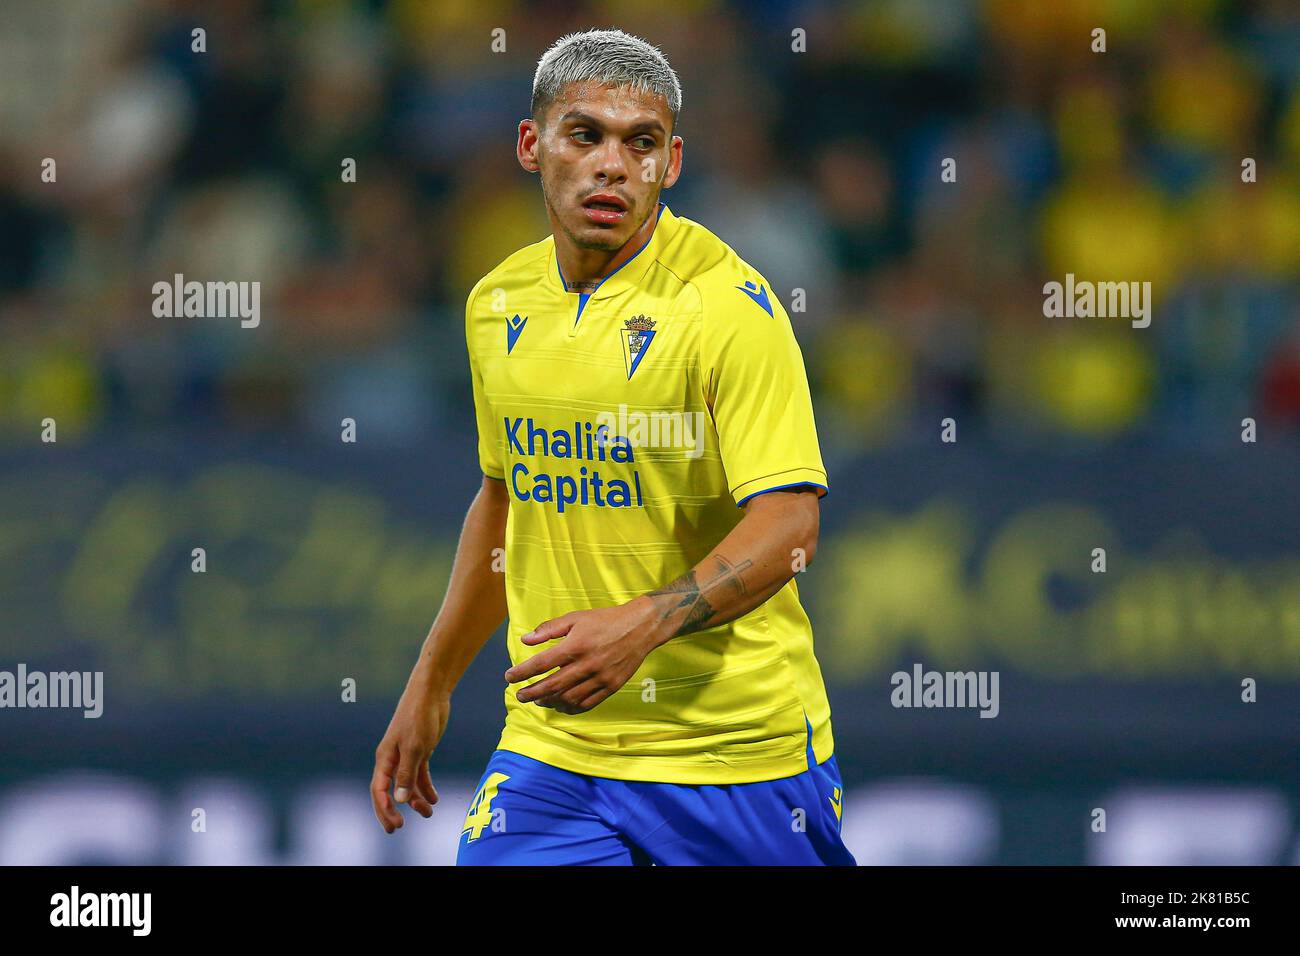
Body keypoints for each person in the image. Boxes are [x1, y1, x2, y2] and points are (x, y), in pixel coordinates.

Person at [371, 27, 855, 866]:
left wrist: (641, 627)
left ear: (671, 165)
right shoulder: (497, 303)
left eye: (642, 145)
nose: (611, 166)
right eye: (584, 135)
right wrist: (433, 679)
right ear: (532, 145)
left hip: (736, 757)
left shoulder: (727, 309)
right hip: (557, 750)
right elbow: (505, 501)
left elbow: (790, 527)